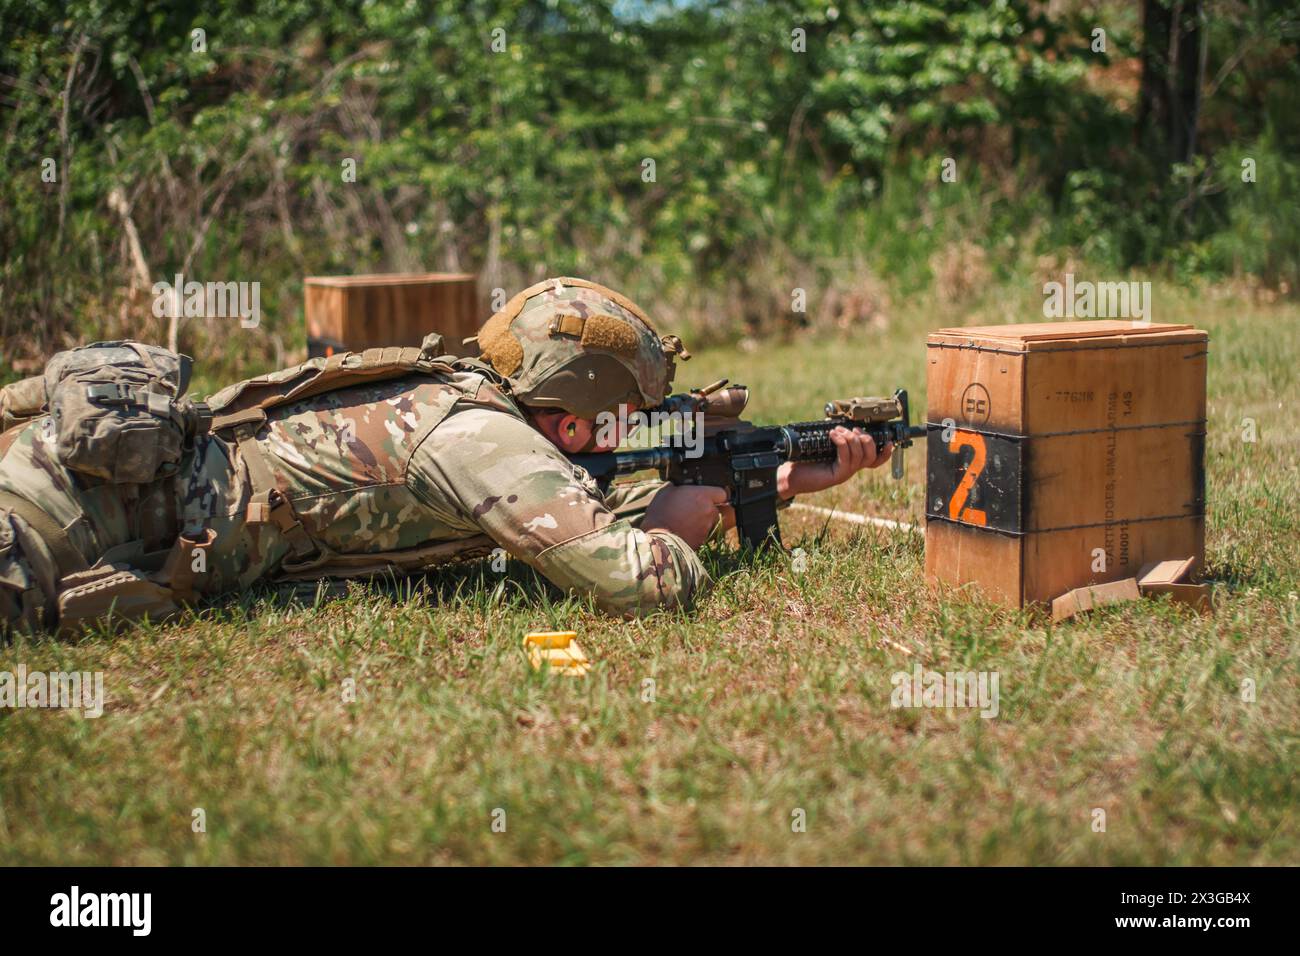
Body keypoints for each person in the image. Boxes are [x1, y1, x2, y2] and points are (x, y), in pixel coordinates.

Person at [0, 277, 889, 634]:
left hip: (76, 483)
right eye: (635, 417)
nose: (646, 432)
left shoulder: (474, 393)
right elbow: (641, 583)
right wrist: (678, 525)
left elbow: (567, 504)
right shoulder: (484, 442)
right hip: (64, 526)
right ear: (573, 422)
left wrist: (773, 480)